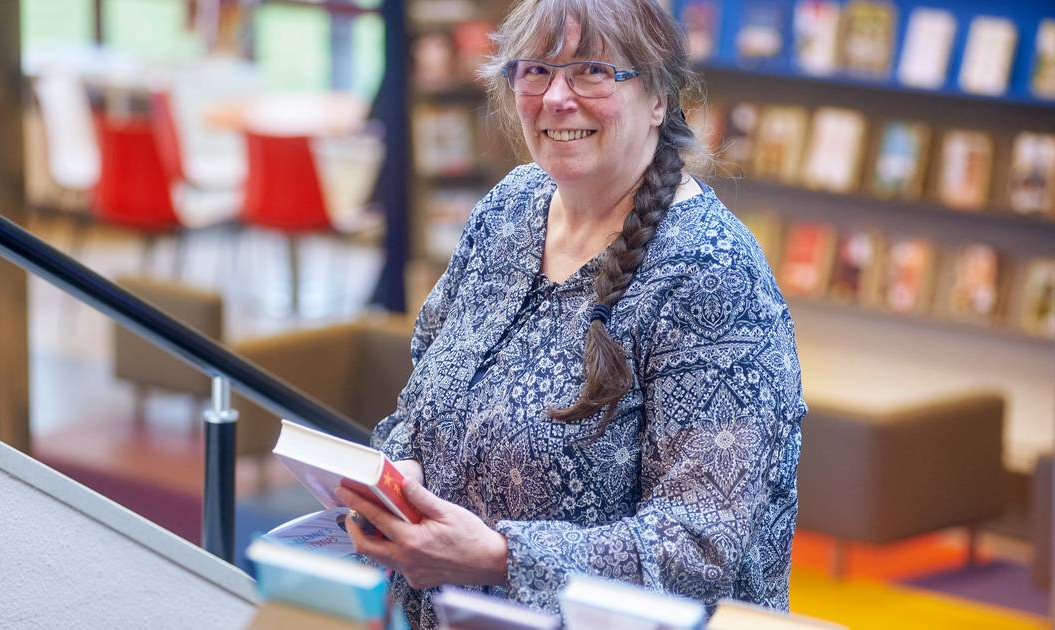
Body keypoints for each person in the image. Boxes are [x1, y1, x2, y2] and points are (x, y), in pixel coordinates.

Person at [334, 0, 806, 627]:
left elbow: (703, 543)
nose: (557, 97)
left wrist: (502, 558)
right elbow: (422, 396)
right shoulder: (510, 207)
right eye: (536, 71)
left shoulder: (711, 271)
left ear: (658, 98)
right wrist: (402, 474)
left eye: (591, 72)